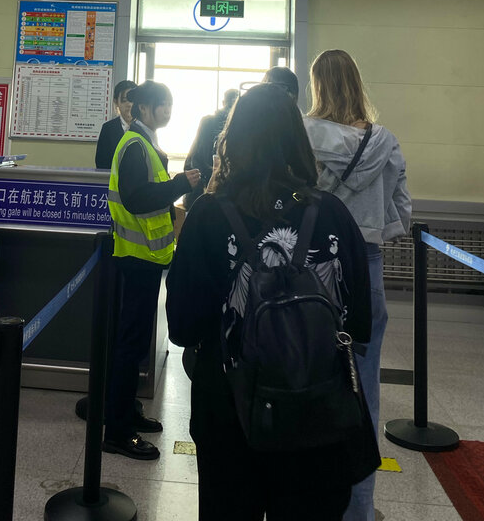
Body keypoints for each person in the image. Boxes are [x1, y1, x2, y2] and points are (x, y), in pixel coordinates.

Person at [166, 84, 372, 521]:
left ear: (233, 140)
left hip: (229, 412)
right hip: (319, 410)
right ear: (298, 142)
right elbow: (361, 324)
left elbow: (181, 325)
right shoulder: (333, 213)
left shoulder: (208, 214)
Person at [303, 49, 411, 521]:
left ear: (318, 86)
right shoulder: (385, 141)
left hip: (313, 265)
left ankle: (308, 495)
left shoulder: (303, 135)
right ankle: (359, 509)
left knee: (305, 374)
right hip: (365, 264)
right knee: (362, 384)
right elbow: (402, 210)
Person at [104, 80, 201, 460]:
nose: (168, 111)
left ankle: (127, 411)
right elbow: (136, 198)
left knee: (135, 340)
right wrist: (179, 184)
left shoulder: (145, 144)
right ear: (145, 109)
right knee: (129, 344)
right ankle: (117, 431)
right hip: (134, 257)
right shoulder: (134, 146)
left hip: (147, 258)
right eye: (164, 105)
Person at [183, 89, 238, 210]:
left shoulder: (208, 122)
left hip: (203, 188)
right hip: (220, 191)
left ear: (223, 102)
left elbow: (197, 156)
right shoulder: (237, 126)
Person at [95, 79, 137, 169]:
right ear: (116, 102)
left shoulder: (144, 127)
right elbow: (101, 163)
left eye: (132, 100)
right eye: (124, 100)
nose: (129, 104)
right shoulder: (108, 129)